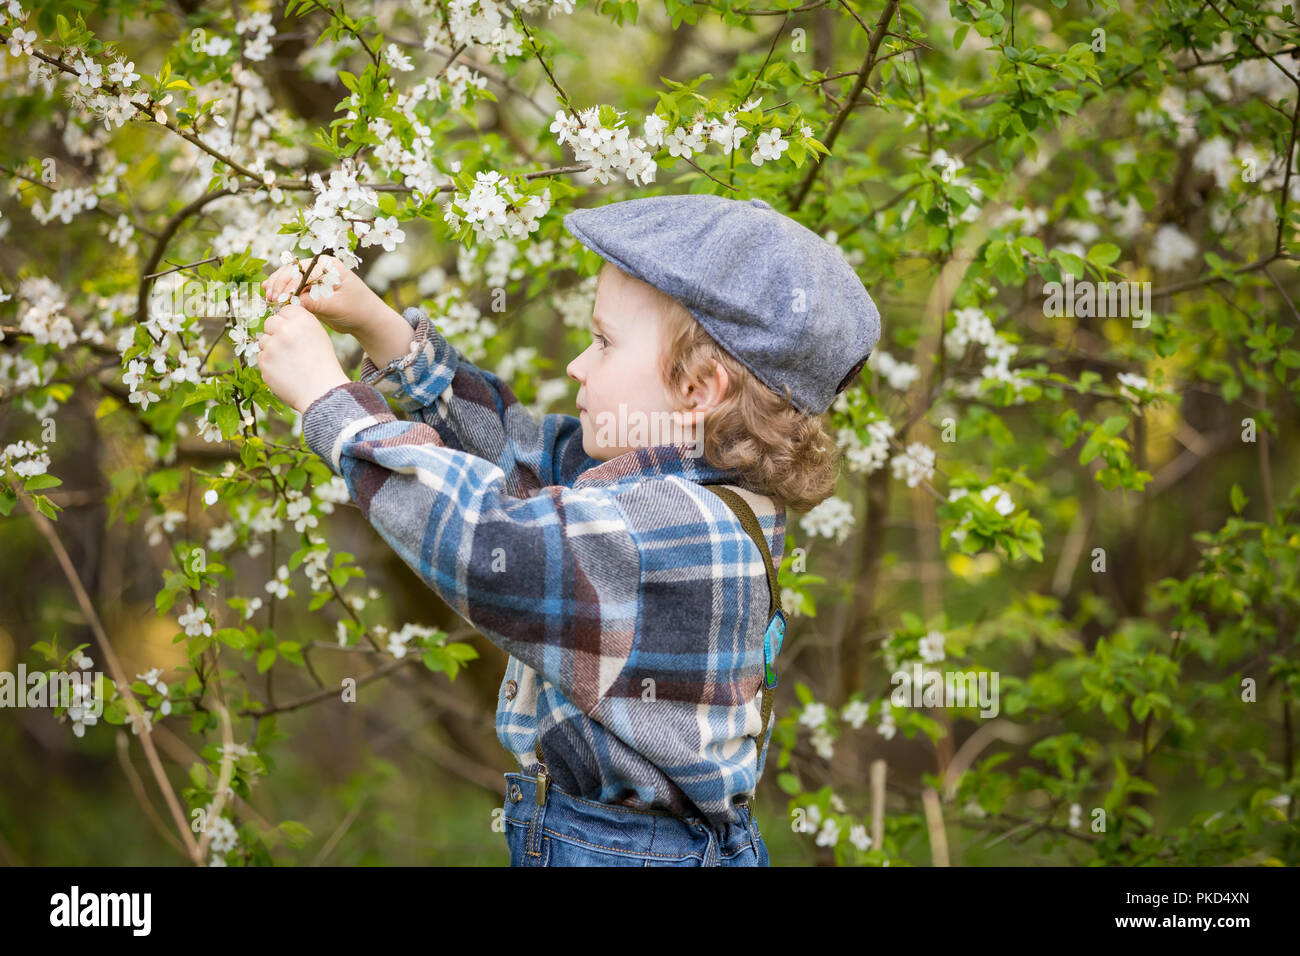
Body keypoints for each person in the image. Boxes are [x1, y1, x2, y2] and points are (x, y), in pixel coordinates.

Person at [257, 193, 881, 866]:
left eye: (605, 341)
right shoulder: (677, 489)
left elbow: (490, 540)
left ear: (698, 390)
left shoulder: (673, 533)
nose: (577, 365)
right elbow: (517, 458)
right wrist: (382, 331)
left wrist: (333, 406)